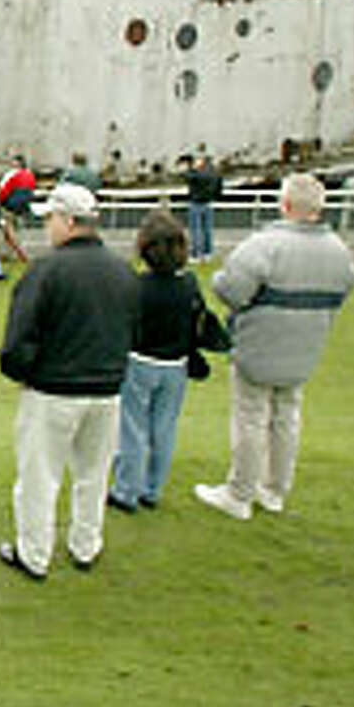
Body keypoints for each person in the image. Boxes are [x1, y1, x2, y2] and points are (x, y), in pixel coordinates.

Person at [193, 173, 354, 521]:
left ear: (285, 205)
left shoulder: (266, 245)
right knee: (286, 417)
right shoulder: (340, 251)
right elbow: (344, 288)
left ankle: (239, 494)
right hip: (305, 346)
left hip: (260, 345)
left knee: (251, 417)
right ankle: (274, 491)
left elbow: (230, 289)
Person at [0, 182, 138, 581]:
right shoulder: (123, 272)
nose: (48, 228)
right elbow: (133, 330)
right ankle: (85, 545)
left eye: (52, 219)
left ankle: (34, 554)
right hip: (106, 392)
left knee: (40, 477)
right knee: (93, 475)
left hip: (53, 391)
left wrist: (23, 375)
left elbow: (17, 342)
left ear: (70, 221)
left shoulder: (46, 272)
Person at [108, 210, 219, 514]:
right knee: (164, 429)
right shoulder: (189, 284)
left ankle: (126, 491)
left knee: (131, 429)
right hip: (175, 366)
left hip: (140, 362)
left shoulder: (136, 286)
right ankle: (152, 489)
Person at [0, 155, 38, 265]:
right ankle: (12, 252)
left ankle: (13, 253)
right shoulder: (30, 175)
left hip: (10, 206)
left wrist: (1, 203)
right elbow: (32, 189)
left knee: (7, 230)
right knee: (17, 229)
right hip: (23, 206)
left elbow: (3, 190)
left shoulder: (11, 175)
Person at [183, 152, 224, 261]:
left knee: (195, 230)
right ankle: (208, 252)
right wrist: (216, 196)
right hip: (208, 203)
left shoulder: (197, 174)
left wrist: (191, 168)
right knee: (207, 230)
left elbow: (187, 177)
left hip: (196, 203)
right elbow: (219, 185)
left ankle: (196, 253)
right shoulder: (214, 173)